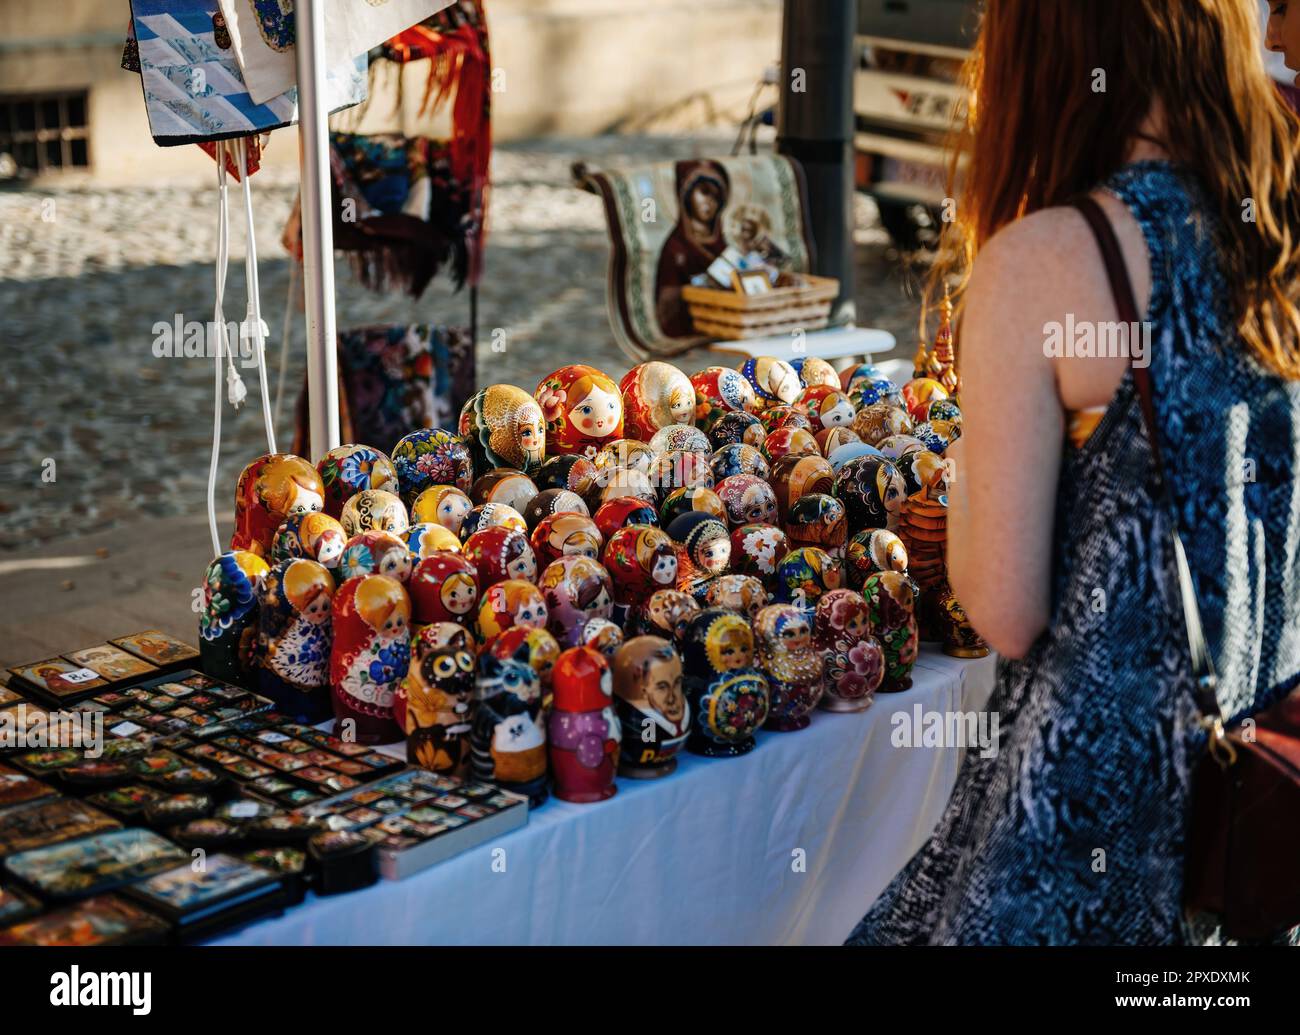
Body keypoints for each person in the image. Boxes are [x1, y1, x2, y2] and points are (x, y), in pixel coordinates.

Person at [849, 0, 1300, 945]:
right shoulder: (1277, 227)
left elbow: (1006, 610)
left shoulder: (1050, 260)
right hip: (1247, 817)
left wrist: (970, 467)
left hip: (1080, 816)